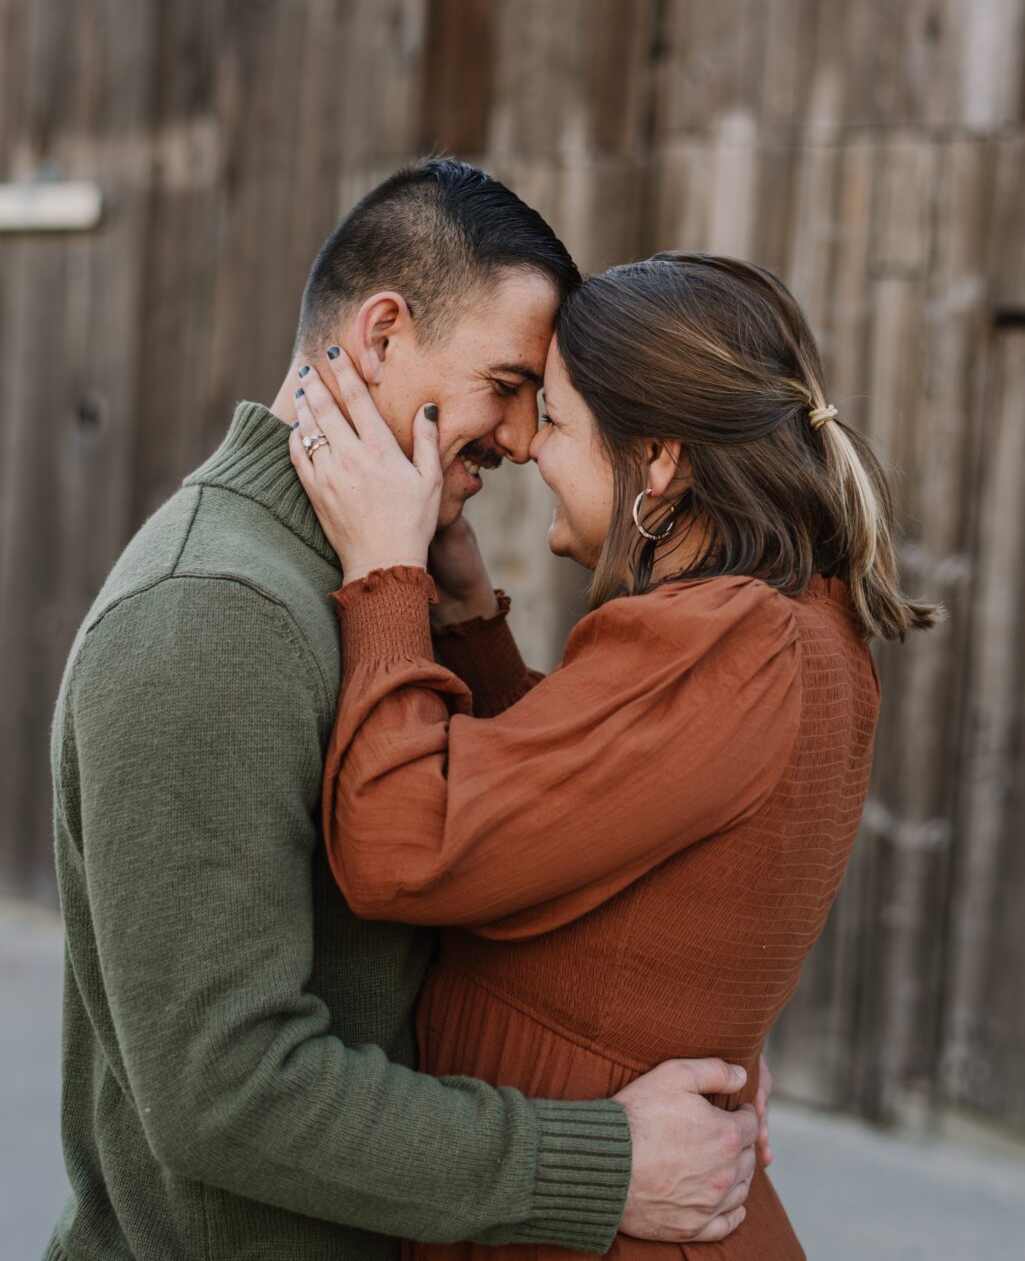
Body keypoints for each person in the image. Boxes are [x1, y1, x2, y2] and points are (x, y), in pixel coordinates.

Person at [46, 163, 767, 1261]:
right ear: (381, 335)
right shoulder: (210, 614)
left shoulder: (372, 573)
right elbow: (225, 1091)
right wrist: (601, 1162)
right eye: (506, 384)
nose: (523, 441)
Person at [289, 251, 940, 1261]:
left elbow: (401, 845)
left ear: (661, 462)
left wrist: (384, 577)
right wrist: (462, 613)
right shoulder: (790, 627)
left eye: (550, 417)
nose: (526, 448)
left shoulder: (728, 642)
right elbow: (575, 807)